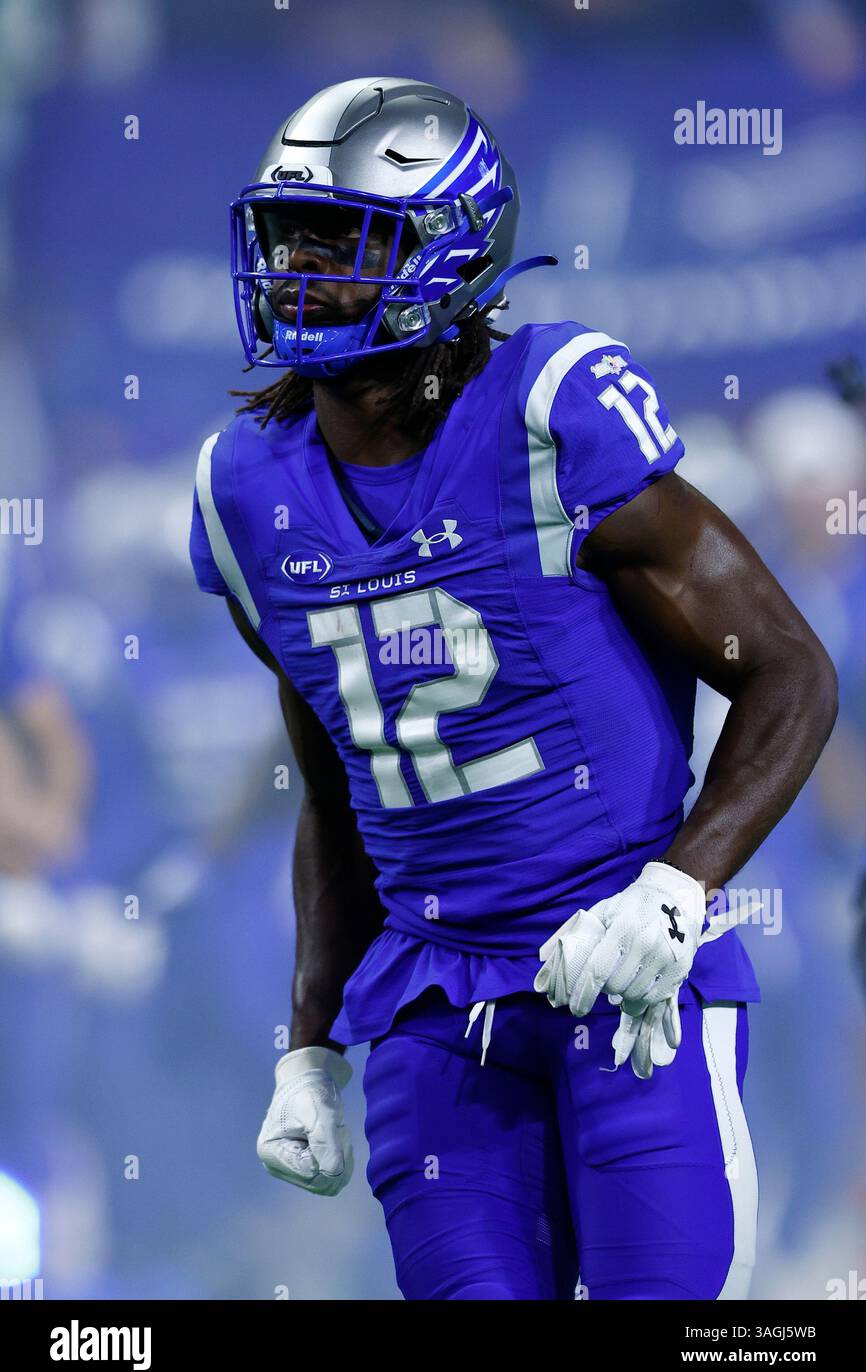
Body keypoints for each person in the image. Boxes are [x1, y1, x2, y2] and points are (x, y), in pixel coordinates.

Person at [190, 78, 837, 1300]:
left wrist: (673, 894)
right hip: (433, 1006)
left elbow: (788, 672)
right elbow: (336, 785)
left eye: (341, 238)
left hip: (626, 975)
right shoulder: (243, 492)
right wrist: (311, 1048)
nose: (297, 270)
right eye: (289, 236)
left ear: (443, 252)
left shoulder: (547, 416)